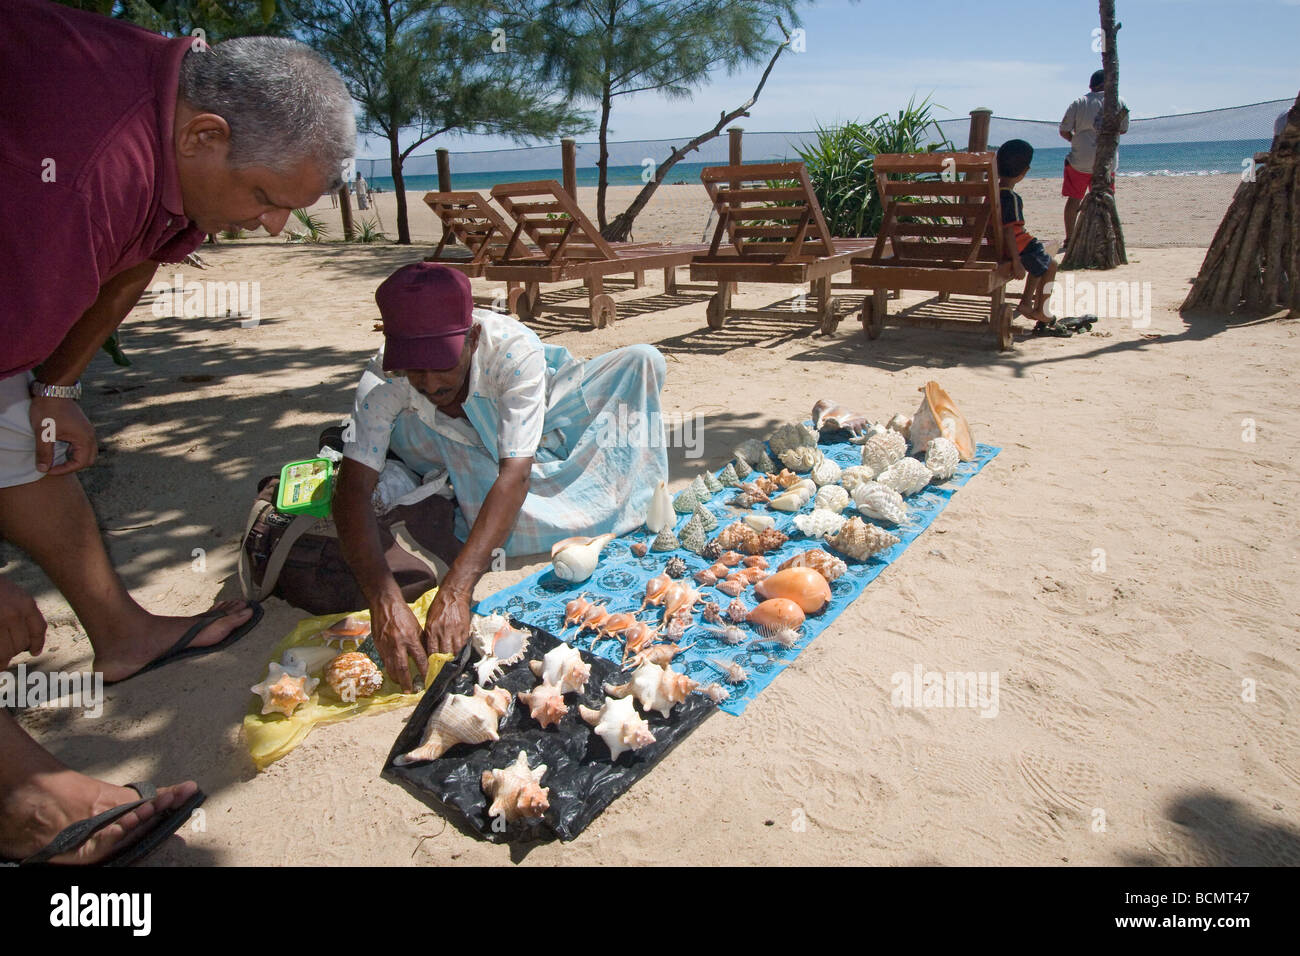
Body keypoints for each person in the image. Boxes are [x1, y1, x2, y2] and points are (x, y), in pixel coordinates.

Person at [0, 0, 355, 864]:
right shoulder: (81, 179)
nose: (276, 227)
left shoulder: (171, 107)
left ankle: (120, 633)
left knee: (23, 442)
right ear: (203, 136)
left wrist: (54, 383)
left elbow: (137, 259)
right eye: (269, 199)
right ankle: (19, 797)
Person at [334, 264, 669, 690]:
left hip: (526, 422)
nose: (431, 382)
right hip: (439, 439)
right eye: (415, 369)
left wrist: (456, 589)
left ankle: (490, 477)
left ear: (472, 337)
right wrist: (384, 598)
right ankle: (429, 473)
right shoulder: (387, 376)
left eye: (442, 364)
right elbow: (351, 490)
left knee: (641, 361)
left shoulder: (512, 350)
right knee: (449, 451)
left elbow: (514, 474)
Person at [997, 140, 1068, 337]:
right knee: (1051, 264)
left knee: (1043, 261)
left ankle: (1030, 305)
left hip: (1007, 246)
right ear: (1024, 172)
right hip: (1018, 248)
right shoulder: (1010, 198)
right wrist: (1017, 262)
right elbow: (1009, 230)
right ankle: (1036, 309)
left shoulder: (992, 195)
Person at [1059, 69, 1130, 249]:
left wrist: (1075, 140)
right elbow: (1123, 129)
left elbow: (1063, 130)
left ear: (1091, 84)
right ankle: (1105, 239)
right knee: (1106, 199)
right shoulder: (1118, 102)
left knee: (1074, 199)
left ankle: (1070, 239)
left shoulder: (1079, 102)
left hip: (1080, 160)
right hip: (1107, 160)